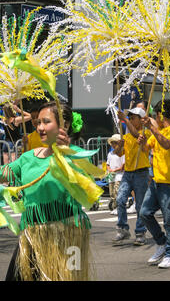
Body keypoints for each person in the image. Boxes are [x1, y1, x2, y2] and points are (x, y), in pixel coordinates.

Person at [1, 101, 93, 281]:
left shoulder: (76, 156)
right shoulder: (27, 158)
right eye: (38, 123)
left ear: (64, 125)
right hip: (31, 238)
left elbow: (86, 187)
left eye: (46, 122)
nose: (40, 127)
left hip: (67, 239)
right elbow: (3, 174)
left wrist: (65, 153)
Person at [139, 99, 170, 269]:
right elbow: (146, 149)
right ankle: (162, 243)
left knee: (169, 219)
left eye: (155, 116)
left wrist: (152, 129)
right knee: (144, 213)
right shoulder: (159, 130)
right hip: (156, 181)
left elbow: (166, 144)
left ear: (159, 115)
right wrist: (143, 142)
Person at [113, 107, 152, 246]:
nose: (130, 119)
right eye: (129, 117)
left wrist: (123, 119)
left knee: (140, 204)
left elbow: (137, 135)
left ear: (141, 120)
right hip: (128, 174)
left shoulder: (145, 133)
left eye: (132, 117)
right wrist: (119, 146)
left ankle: (140, 232)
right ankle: (123, 228)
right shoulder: (127, 136)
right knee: (120, 199)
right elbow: (118, 153)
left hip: (141, 173)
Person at [107, 134, 125, 215]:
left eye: (115, 143)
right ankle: (114, 206)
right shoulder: (110, 153)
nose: (114, 145)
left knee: (117, 191)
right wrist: (109, 169)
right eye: (112, 143)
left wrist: (115, 170)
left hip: (119, 175)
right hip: (112, 176)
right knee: (112, 193)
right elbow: (108, 164)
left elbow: (123, 166)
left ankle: (119, 207)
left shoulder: (122, 153)